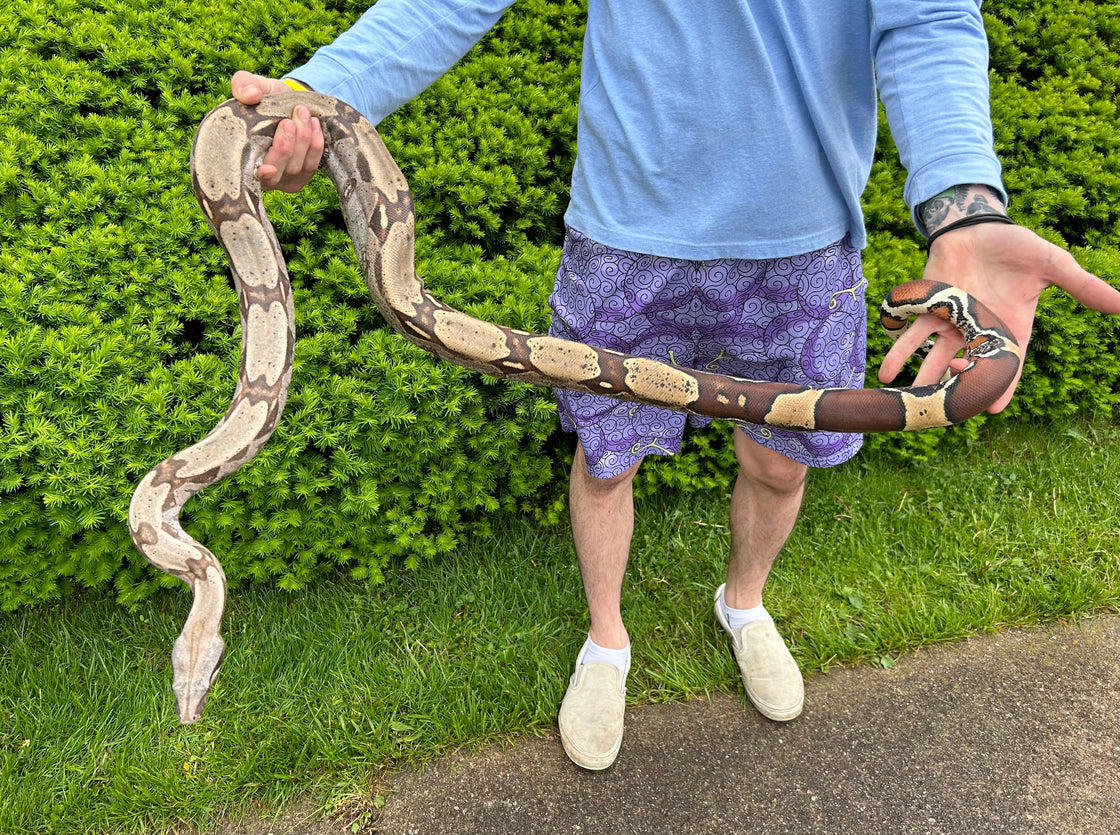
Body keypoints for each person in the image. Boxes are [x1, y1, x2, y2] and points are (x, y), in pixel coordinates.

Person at [228, 0, 1120, 770]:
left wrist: (965, 209)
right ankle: (606, 639)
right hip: (624, 237)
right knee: (607, 457)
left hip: (803, 250)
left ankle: (744, 603)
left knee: (781, 462)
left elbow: (925, 19)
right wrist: (320, 99)